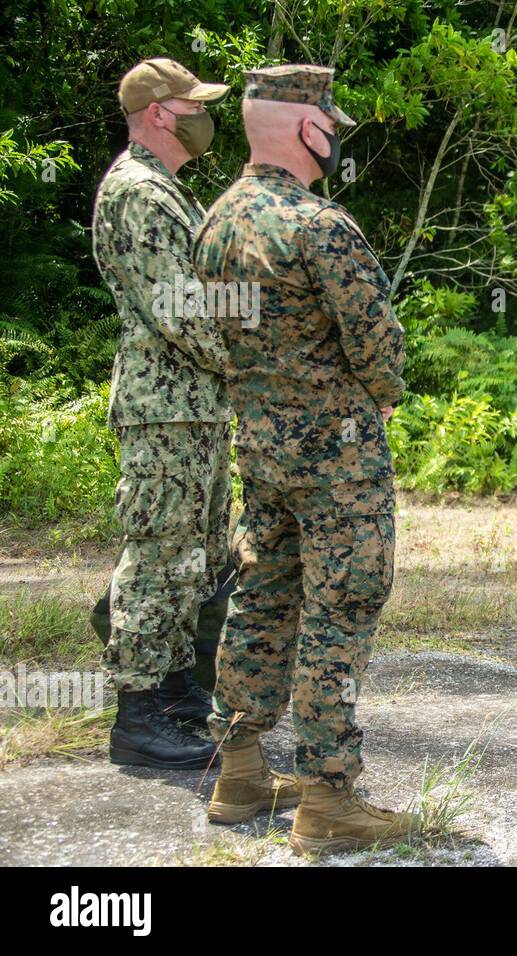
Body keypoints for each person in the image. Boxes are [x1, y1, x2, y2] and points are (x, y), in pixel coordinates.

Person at [193, 65, 414, 853]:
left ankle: (241, 770)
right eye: (329, 121)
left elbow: (215, 342)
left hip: (261, 446)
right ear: (302, 127)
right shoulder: (320, 225)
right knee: (340, 611)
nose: (336, 135)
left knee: (263, 596)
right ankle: (326, 798)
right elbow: (379, 347)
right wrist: (382, 392)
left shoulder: (213, 223)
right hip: (337, 459)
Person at [91, 57, 232, 769]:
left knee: (196, 559)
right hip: (165, 409)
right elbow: (183, 310)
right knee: (159, 557)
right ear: (157, 113)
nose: (203, 117)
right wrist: (260, 359)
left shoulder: (166, 190)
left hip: (195, 408)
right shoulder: (139, 192)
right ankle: (140, 715)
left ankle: (177, 695)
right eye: (193, 106)